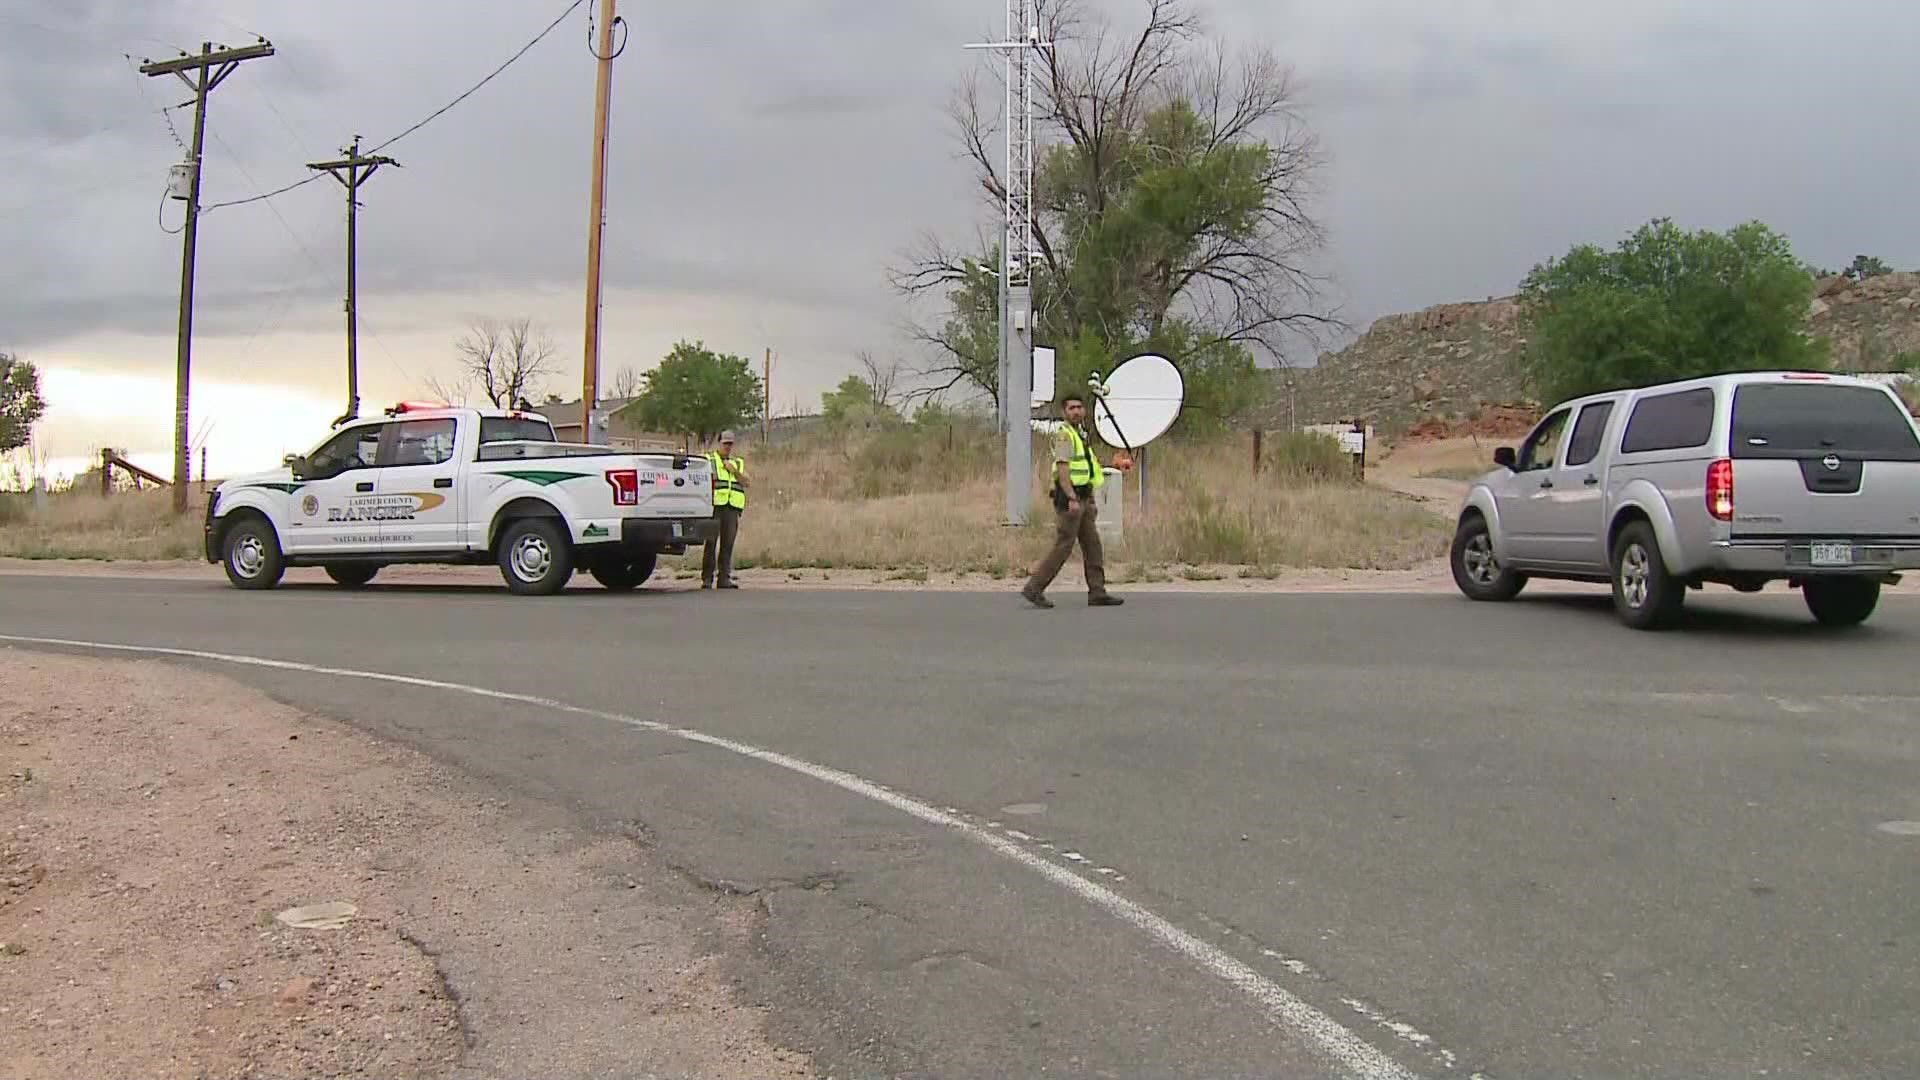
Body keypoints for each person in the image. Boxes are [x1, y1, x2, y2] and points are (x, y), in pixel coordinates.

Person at [1022, 393, 1124, 609]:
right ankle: (1034, 588)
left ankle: (1097, 591)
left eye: (1079, 407)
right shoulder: (1065, 436)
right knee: (1064, 546)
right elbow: (1062, 467)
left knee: (1092, 545)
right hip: (1071, 499)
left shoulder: (1080, 434)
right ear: (1064, 412)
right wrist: (1071, 498)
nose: (1076, 411)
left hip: (1084, 498)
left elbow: (1087, 468)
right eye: (1071, 408)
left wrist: (1090, 500)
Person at [702, 430, 748, 589]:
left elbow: (746, 482)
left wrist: (733, 471)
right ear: (719, 443)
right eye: (725, 444)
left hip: (732, 508)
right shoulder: (709, 460)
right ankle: (707, 578)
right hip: (714, 506)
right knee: (711, 543)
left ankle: (724, 578)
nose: (728, 447)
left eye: (730, 444)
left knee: (727, 544)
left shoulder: (737, 463)